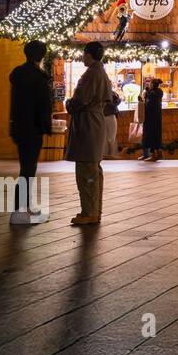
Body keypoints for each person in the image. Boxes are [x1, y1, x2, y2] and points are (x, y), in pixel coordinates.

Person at [64, 41, 111, 225]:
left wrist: (69, 103)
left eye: (84, 54)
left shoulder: (91, 73)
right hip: (96, 122)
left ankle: (89, 212)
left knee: (86, 170)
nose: (82, 57)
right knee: (94, 168)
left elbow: (80, 100)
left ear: (89, 54)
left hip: (87, 124)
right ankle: (94, 210)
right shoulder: (102, 72)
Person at [8, 40, 51, 223]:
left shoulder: (17, 74)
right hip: (33, 128)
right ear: (41, 56)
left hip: (19, 126)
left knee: (25, 167)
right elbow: (43, 106)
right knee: (28, 169)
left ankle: (24, 205)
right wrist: (46, 126)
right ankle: (19, 210)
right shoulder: (39, 77)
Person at [140, 78, 163, 161]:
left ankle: (153, 155)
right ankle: (158, 152)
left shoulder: (151, 94)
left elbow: (148, 105)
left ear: (152, 84)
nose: (148, 85)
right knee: (156, 135)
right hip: (157, 117)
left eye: (150, 83)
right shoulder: (159, 92)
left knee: (151, 136)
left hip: (151, 118)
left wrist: (145, 95)